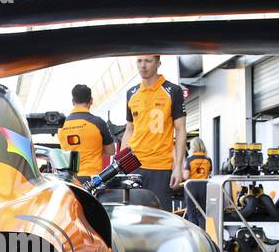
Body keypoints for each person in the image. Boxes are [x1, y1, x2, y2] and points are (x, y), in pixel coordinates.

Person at [121, 55, 186, 210]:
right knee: (133, 217)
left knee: (160, 219)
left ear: (158, 63)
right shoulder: (131, 93)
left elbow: (181, 130)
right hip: (134, 165)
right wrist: (121, 164)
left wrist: (178, 167)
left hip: (160, 167)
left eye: (148, 61)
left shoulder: (173, 91)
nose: (143, 65)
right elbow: (129, 130)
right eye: (139, 61)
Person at [59, 84, 115, 178]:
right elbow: (111, 151)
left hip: (71, 179)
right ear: (91, 100)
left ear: (73, 102)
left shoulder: (62, 125)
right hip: (93, 179)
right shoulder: (98, 123)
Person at [184, 139, 213, 228]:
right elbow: (209, 173)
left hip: (191, 186)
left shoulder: (189, 160)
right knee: (203, 212)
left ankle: (193, 232)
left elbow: (185, 176)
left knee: (191, 212)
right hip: (204, 186)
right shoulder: (208, 160)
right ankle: (204, 232)